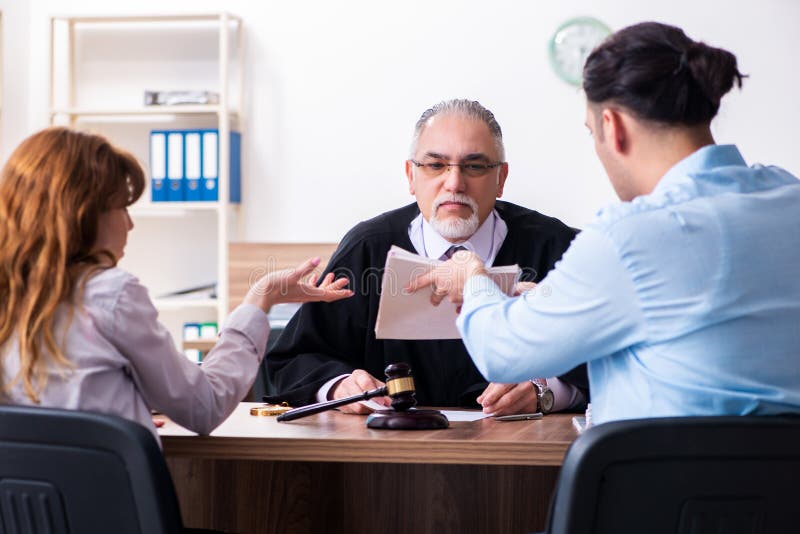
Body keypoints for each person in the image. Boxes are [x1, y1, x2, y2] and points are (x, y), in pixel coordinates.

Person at [410, 22, 800, 425]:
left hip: (666, 465)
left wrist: (472, 278)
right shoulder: (790, 198)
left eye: (591, 132)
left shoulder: (628, 238)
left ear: (612, 127)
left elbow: (501, 353)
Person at [0, 127, 353, 439]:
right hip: (107, 495)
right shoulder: (111, 294)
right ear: (81, 215)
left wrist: (123, 414)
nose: (129, 225)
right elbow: (205, 406)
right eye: (122, 208)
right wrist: (259, 300)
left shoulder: (11, 297)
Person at [266, 99, 588, 415]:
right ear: (411, 175)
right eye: (435, 165)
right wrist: (339, 386)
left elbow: (607, 356)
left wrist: (547, 391)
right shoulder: (367, 249)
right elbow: (295, 359)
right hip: (387, 445)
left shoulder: (559, 248)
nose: (454, 183)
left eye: (475, 166)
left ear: (501, 178)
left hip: (522, 446)